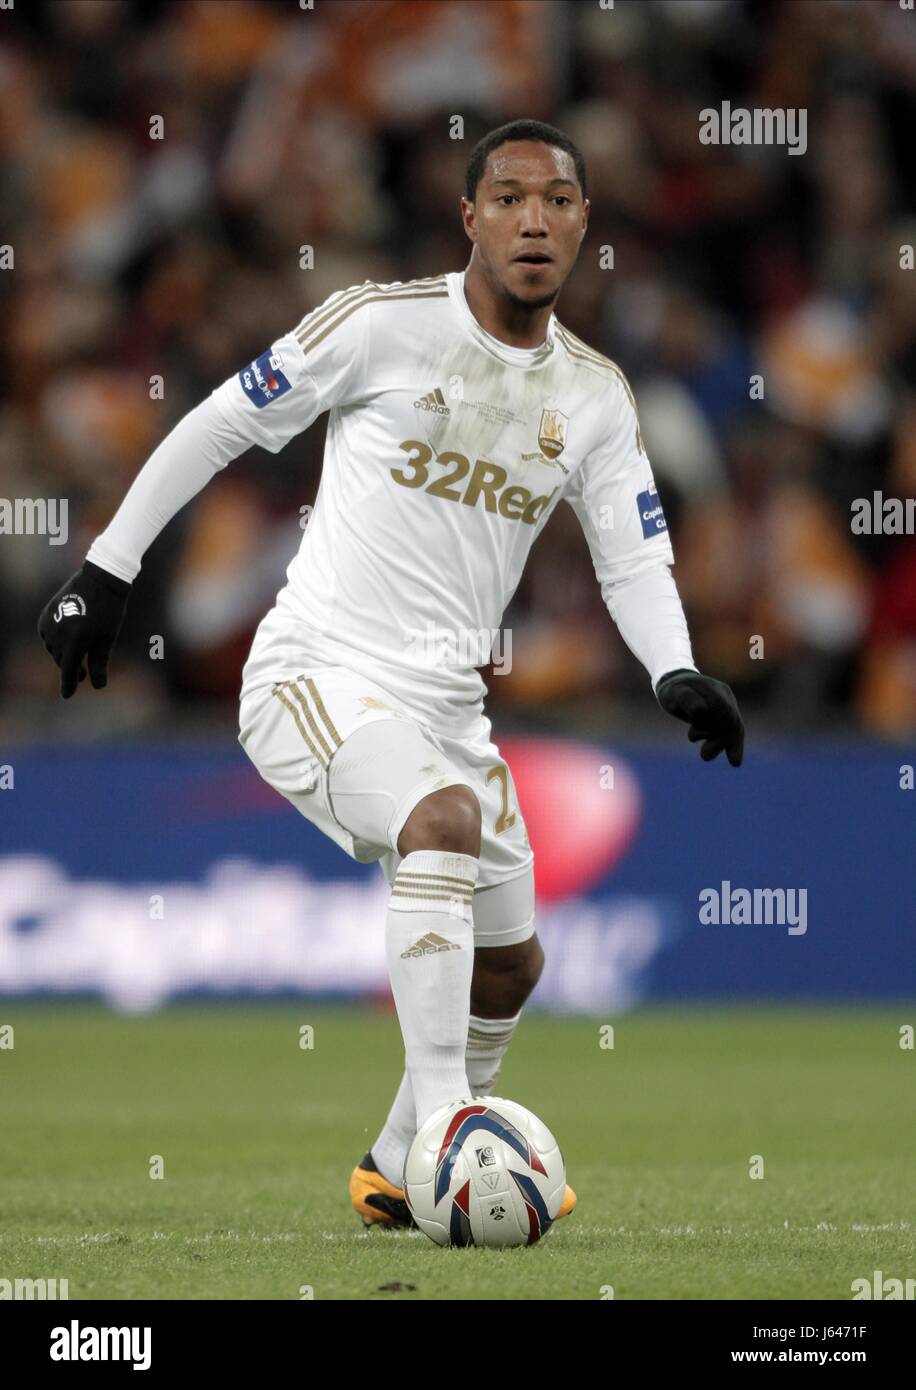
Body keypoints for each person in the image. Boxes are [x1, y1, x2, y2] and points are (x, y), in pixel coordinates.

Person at [38, 119, 744, 1230]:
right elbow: (224, 420)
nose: (532, 219)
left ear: (582, 225)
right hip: (312, 672)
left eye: (556, 201)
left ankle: (387, 1166)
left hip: (447, 706)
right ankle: (452, 1131)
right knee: (443, 820)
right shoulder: (380, 326)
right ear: (469, 218)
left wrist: (676, 670)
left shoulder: (596, 398)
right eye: (506, 198)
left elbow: (633, 554)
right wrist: (107, 570)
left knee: (508, 968)